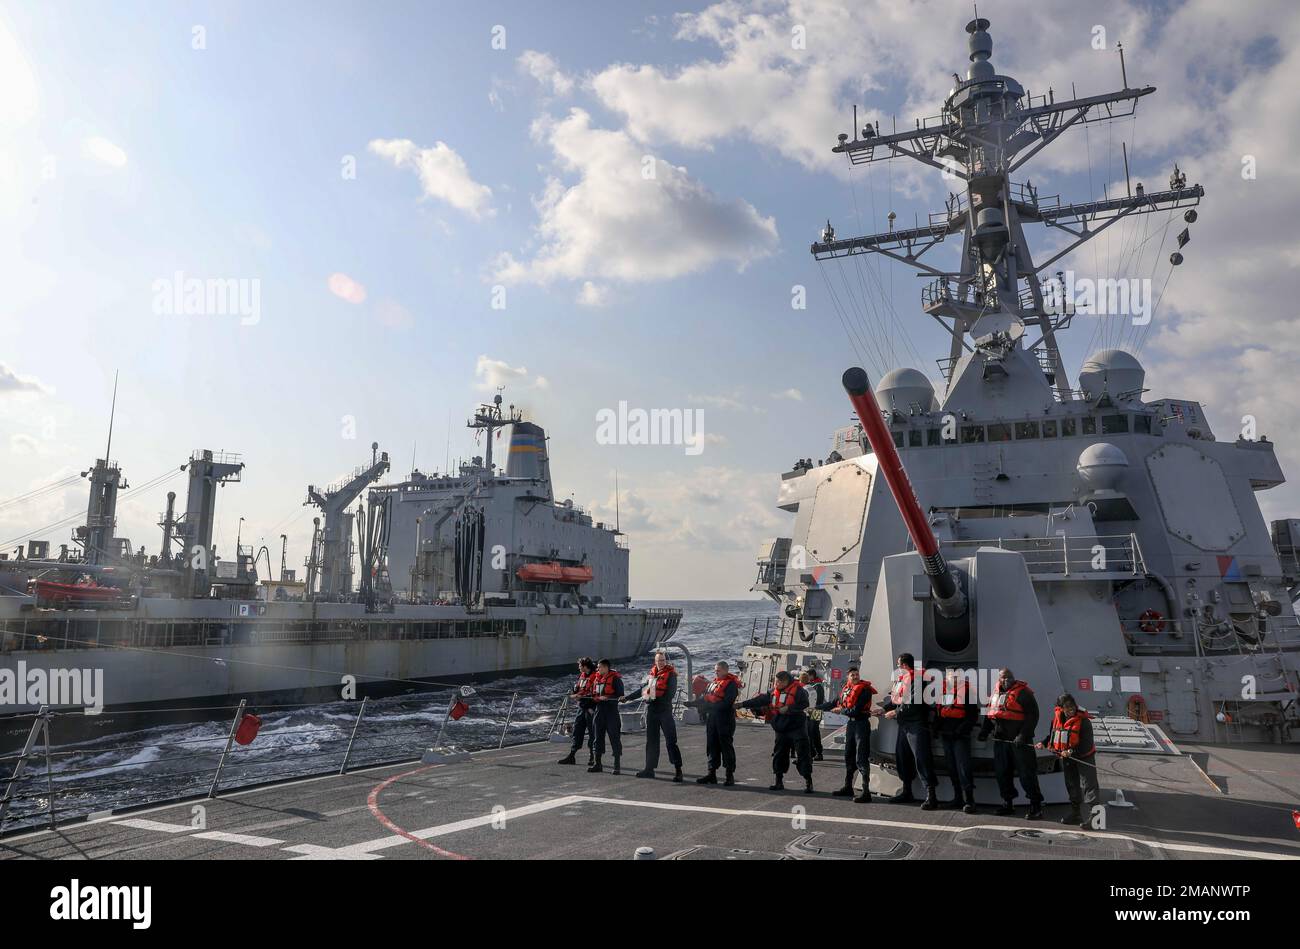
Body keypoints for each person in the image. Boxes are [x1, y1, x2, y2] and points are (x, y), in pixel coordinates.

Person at [977, 667, 1043, 819]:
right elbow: (989, 714)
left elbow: (1033, 716)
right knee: (1002, 773)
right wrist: (984, 732)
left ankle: (1036, 805)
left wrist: (1023, 735)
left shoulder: (1024, 693)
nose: (1006, 680)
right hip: (1001, 740)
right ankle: (1008, 803)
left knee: (1027, 773)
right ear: (999, 679)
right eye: (1003, 678)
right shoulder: (995, 693)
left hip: (1019, 742)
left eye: (1009, 677)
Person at [738, 670, 814, 794]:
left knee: (803, 754)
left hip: (796, 726)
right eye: (776, 681)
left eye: (780, 681)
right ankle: (778, 781)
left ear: (786, 681)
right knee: (779, 754)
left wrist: (789, 708)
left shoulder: (799, 691)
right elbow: (759, 700)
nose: (777, 683)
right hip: (781, 727)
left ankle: (808, 781)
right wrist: (742, 704)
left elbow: (804, 703)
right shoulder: (772, 692)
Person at [880, 653, 938, 809]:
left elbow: (913, 704)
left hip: (917, 725)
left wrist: (895, 713)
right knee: (903, 757)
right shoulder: (904, 680)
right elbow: (897, 700)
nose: (898, 668)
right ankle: (907, 791)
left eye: (899, 665)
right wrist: (883, 709)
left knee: (922, 759)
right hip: (904, 725)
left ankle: (931, 796)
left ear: (904, 665)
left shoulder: (916, 680)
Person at [1037, 693, 1100, 828]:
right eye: (1067, 708)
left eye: (1072, 708)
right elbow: (1053, 734)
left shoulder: (1084, 722)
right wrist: (1043, 742)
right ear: (1060, 709)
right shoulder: (1057, 719)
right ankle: (1076, 814)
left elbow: (1086, 743)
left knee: (1090, 786)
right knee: (1071, 784)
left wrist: (1071, 751)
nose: (1071, 711)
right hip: (1067, 758)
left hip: (1084, 757)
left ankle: (1097, 820)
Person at [818, 666, 876, 802]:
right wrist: (815, 708)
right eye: (852, 675)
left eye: (857, 674)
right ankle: (848, 787)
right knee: (848, 755)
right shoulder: (847, 689)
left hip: (861, 724)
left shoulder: (865, 690)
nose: (855, 677)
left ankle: (866, 791)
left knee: (861, 756)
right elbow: (833, 703)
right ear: (848, 677)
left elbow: (855, 710)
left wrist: (841, 711)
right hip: (851, 725)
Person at [623, 650, 683, 782]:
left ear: (665, 661)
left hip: (664, 711)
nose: (661, 663)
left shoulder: (671, 675)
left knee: (670, 741)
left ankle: (678, 770)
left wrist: (654, 699)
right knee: (651, 741)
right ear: (655, 662)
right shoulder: (652, 674)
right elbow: (643, 690)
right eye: (658, 660)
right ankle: (649, 769)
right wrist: (627, 698)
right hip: (652, 712)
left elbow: (670, 695)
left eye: (663, 660)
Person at [933, 667, 979, 813]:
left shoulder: (967, 691)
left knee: (963, 767)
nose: (952, 679)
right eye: (949, 677)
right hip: (946, 735)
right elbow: (939, 713)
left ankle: (970, 800)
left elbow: (972, 716)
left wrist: (959, 731)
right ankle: (958, 798)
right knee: (951, 767)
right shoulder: (945, 691)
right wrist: (935, 728)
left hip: (960, 736)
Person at [687, 660, 740, 785]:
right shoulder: (714, 683)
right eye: (715, 670)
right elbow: (706, 698)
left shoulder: (731, 685)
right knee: (711, 745)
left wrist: (710, 707)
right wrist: (693, 703)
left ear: (726, 670)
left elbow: (727, 703)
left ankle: (729, 775)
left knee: (726, 746)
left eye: (718, 670)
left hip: (725, 720)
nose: (716, 672)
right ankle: (712, 774)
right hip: (712, 719)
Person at [557, 657, 597, 766]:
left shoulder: (596, 677)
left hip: (590, 709)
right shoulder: (582, 676)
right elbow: (577, 689)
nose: (579, 668)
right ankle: (572, 755)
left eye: (580, 666)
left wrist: (580, 697)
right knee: (577, 731)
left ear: (585, 666)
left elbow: (595, 694)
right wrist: (576, 695)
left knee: (593, 733)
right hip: (582, 708)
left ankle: (592, 756)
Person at [587, 658, 624, 774]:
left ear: (607, 667)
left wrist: (608, 698)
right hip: (599, 711)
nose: (598, 669)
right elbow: (593, 695)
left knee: (614, 737)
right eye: (598, 667)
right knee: (597, 737)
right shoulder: (597, 679)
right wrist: (598, 698)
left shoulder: (615, 679)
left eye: (601, 667)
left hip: (611, 711)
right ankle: (598, 764)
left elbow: (620, 695)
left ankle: (617, 765)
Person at [800, 668, 826, 761]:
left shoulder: (818, 686)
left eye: (808, 676)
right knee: (808, 732)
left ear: (812, 676)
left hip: (816, 711)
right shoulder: (810, 685)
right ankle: (812, 752)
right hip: (809, 711)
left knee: (813, 731)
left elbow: (819, 700)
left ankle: (819, 752)